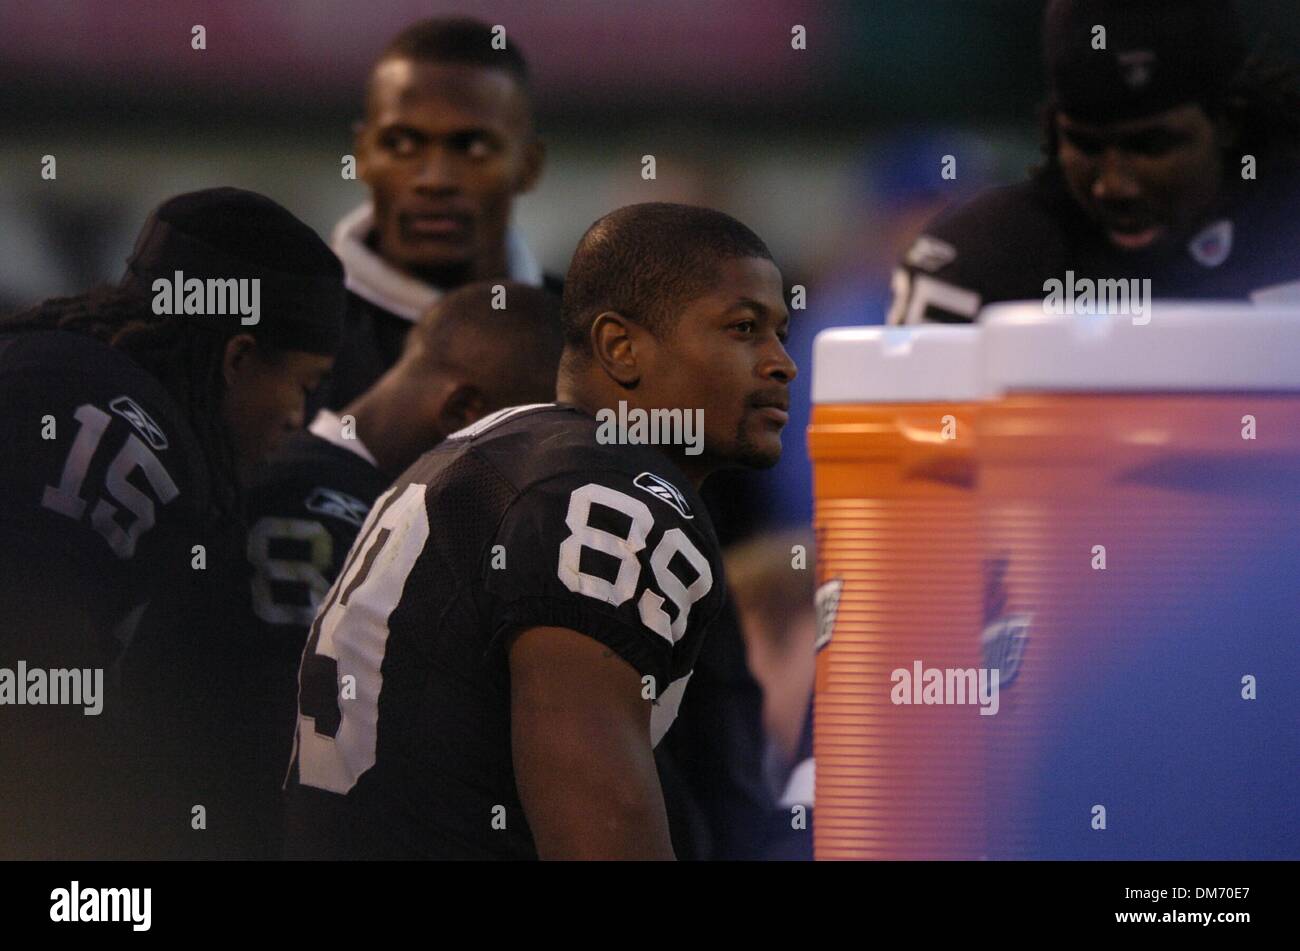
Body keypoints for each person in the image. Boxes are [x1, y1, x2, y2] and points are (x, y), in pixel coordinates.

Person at [284, 202, 795, 859]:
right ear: (621, 347)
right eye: (744, 328)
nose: (782, 362)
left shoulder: (496, 450)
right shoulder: (610, 494)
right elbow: (601, 839)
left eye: (781, 331)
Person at [0, 187, 345, 858]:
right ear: (239, 358)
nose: (298, 420)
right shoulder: (142, 447)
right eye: (302, 385)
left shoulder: (37, 356)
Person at [236, 281, 562, 856]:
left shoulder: (359, 496)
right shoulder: (300, 507)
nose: (550, 470)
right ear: (466, 411)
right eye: (541, 440)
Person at [887, 0, 1300, 325]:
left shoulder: (1287, 224)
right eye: (1086, 145)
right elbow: (905, 428)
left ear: (1227, 122)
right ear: (1053, 132)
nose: (1113, 185)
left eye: (1150, 145)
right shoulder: (985, 261)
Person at [320, 16, 560, 411]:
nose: (434, 180)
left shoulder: (581, 337)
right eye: (400, 143)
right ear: (362, 155)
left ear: (530, 166)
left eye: (473, 147)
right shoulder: (288, 336)